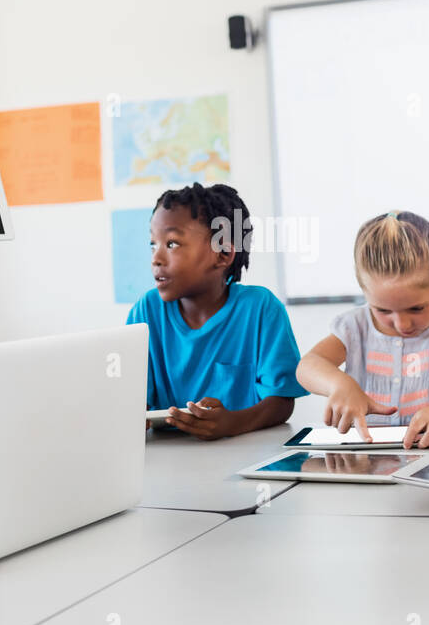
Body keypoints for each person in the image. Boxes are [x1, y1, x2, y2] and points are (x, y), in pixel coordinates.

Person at [127, 183, 306, 440]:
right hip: (169, 458)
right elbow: (131, 399)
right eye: (153, 244)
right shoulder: (146, 311)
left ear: (222, 254)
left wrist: (232, 424)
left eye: (173, 243)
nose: (156, 258)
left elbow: (281, 402)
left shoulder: (260, 309)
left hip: (246, 451)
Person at [296, 211, 429, 448]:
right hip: (365, 456)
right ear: (363, 288)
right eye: (383, 310)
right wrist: (340, 385)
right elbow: (308, 366)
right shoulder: (355, 326)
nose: (402, 324)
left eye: (416, 309)